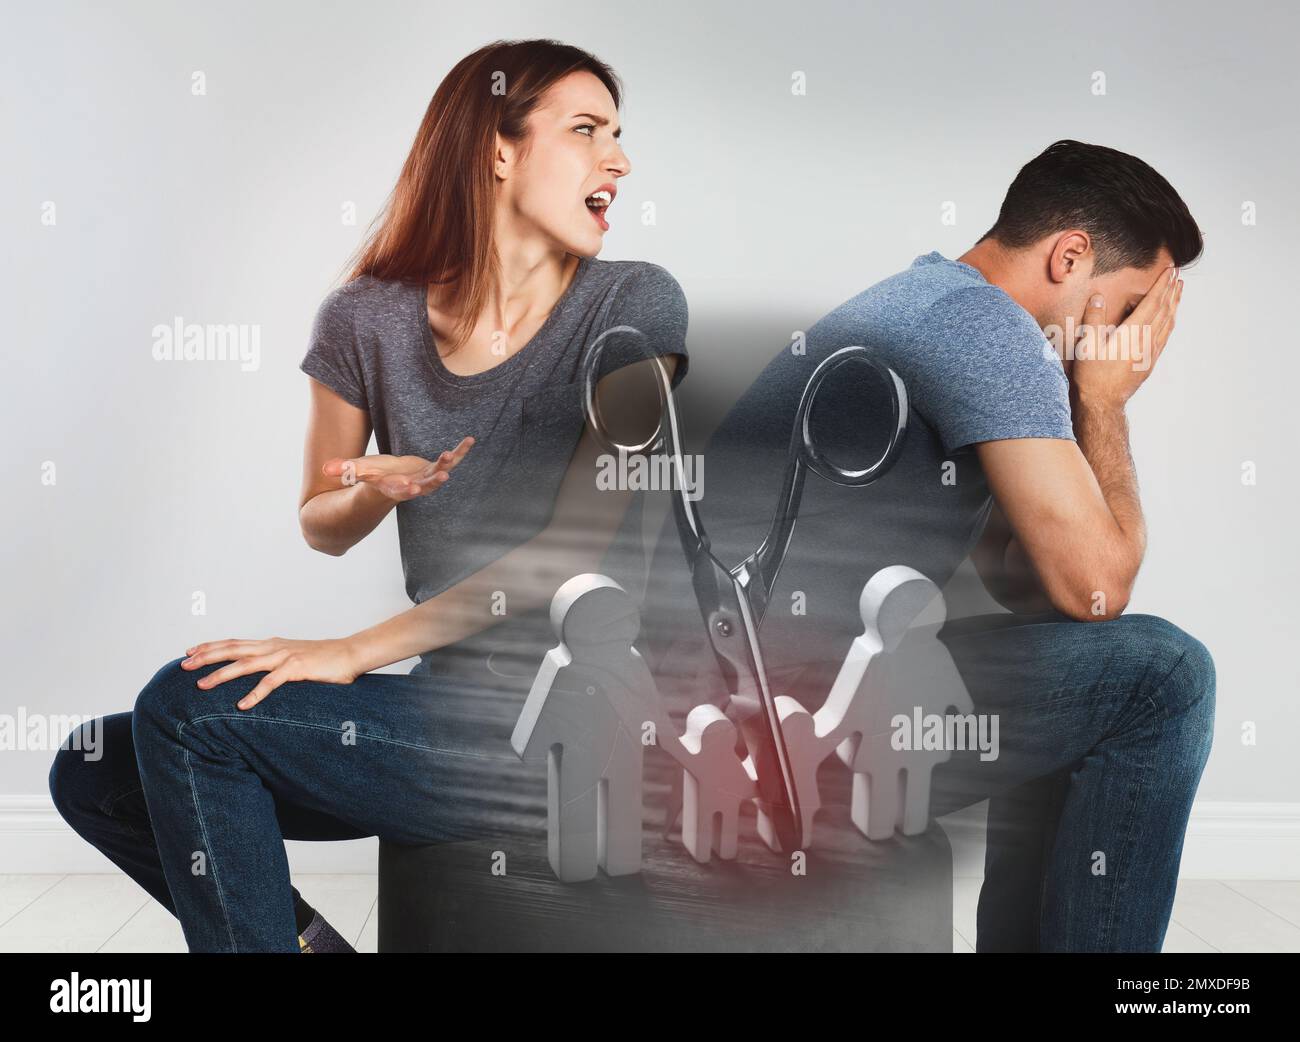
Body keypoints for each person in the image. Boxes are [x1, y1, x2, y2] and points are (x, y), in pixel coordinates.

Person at [48, 38, 688, 953]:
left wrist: (348, 652)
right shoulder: (366, 318)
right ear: (496, 150)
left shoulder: (635, 305)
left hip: (575, 720)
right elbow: (320, 524)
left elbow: (569, 552)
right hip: (439, 711)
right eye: (587, 132)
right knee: (91, 766)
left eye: (618, 137)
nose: (618, 160)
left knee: (186, 712)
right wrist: (378, 490)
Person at [638, 139, 1213, 952]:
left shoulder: (933, 302)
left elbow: (1037, 589)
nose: (1123, 341)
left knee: (1097, 672)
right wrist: (1104, 404)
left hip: (746, 688)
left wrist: (1076, 403)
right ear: (1071, 256)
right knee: (1164, 676)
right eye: (1125, 311)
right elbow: (1098, 587)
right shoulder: (987, 331)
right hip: (769, 715)